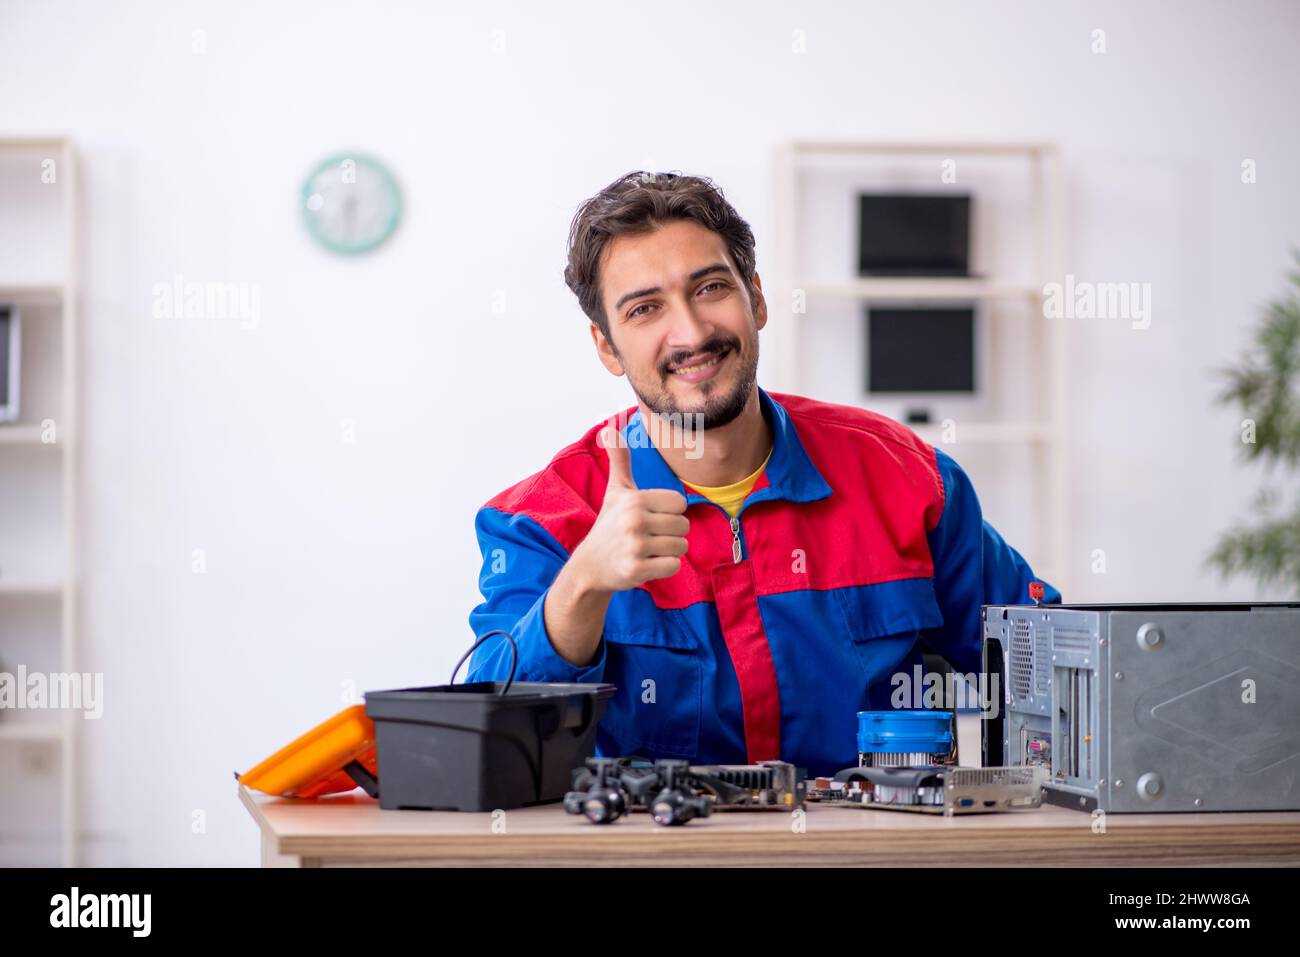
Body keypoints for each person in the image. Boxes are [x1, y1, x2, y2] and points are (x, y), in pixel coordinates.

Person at [467, 171, 1060, 776]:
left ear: (757, 296)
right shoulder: (541, 519)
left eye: (711, 288)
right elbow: (496, 745)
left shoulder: (908, 478)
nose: (692, 333)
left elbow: (1046, 672)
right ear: (607, 347)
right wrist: (584, 584)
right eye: (645, 308)